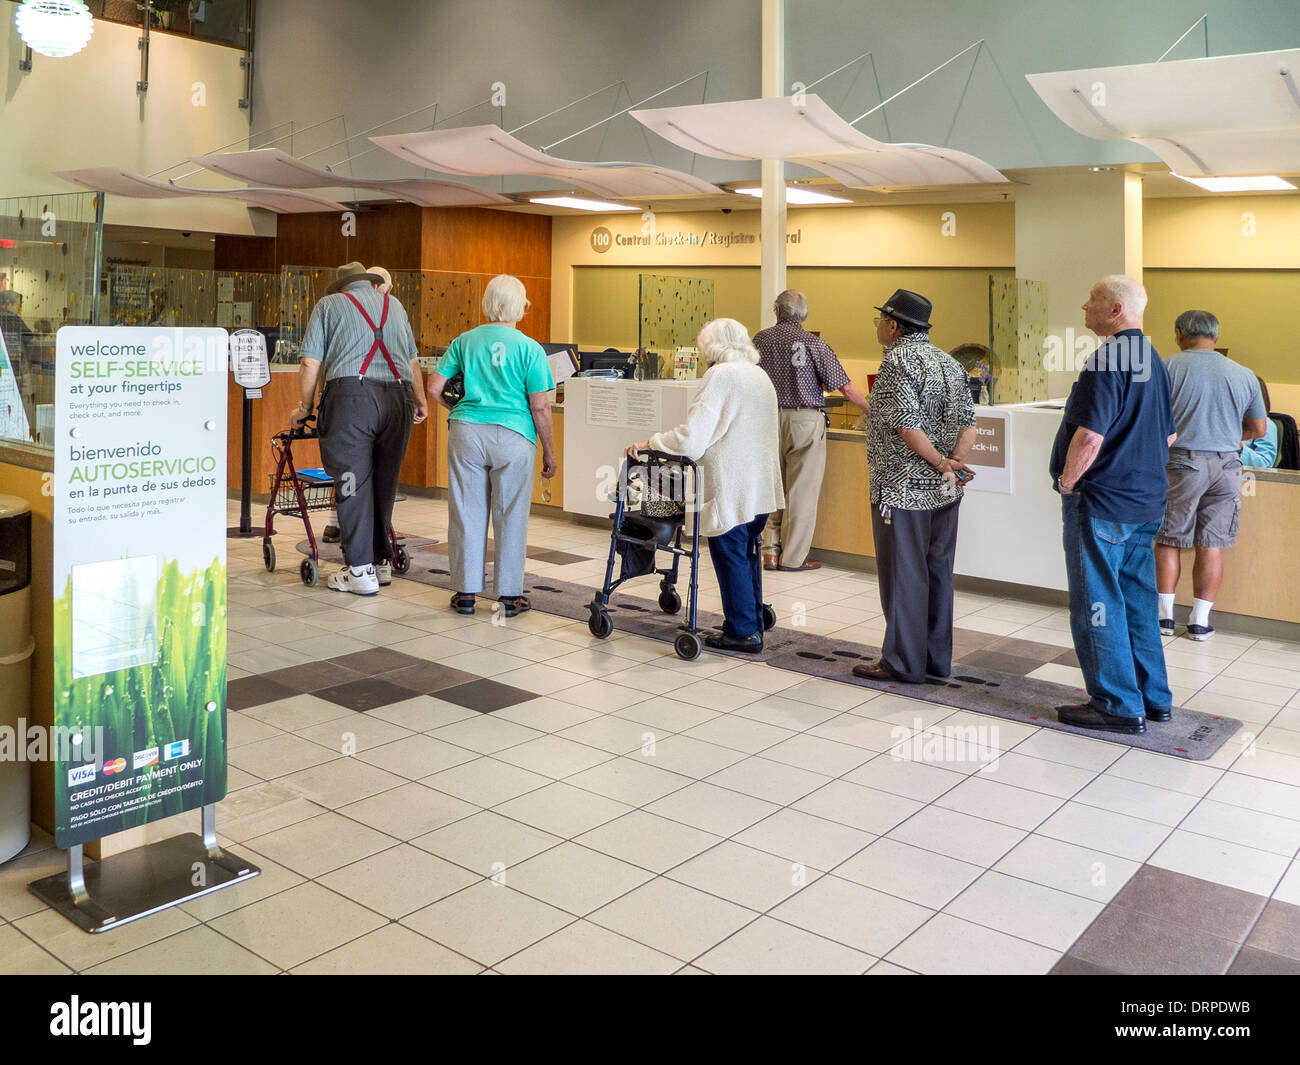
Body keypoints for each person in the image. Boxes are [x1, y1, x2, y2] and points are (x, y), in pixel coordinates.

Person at [1050, 275, 1176, 735]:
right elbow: (1169, 434)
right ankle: (1152, 697)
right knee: (1138, 604)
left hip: (1102, 503)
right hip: (1146, 503)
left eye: (1093, 300)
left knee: (1097, 603)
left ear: (1116, 310)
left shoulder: (1108, 359)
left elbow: (1090, 435)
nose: (1085, 306)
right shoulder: (1154, 359)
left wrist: (1068, 483)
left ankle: (1116, 704)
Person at [624, 318, 783, 653]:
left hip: (732, 483)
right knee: (747, 550)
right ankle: (750, 619)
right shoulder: (760, 375)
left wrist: (651, 442)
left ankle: (742, 632)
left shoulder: (721, 375)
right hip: (760, 483)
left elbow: (692, 439)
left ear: (711, 348)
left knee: (729, 553)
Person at [857, 289, 977, 683]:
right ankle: (934, 661)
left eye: (880, 319)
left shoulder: (897, 361)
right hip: (944, 490)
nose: (878, 326)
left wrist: (941, 462)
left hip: (902, 490)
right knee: (938, 572)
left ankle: (903, 662)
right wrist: (953, 465)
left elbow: (907, 426)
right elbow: (969, 424)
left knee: (904, 574)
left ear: (893, 325)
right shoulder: (949, 363)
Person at [292, 262, 428, 595]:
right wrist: (420, 401)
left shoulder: (328, 305)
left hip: (352, 399)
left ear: (341, 286)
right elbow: (412, 361)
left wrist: (305, 407)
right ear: (366, 282)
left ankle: (359, 570)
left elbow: (311, 362)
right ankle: (381, 562)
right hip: (398, 400)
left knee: (352, 483)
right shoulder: (393, 305)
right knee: (385, 482)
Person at [427, 275, 556, 617]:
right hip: (515, 435)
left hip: (467, 431)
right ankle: (509, 597)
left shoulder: (465, 341)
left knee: (466, 511)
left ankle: (466, 593)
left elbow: (434, 387)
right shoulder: (530, 348)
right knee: (511, 515)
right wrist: (550, 452)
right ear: (519, 305)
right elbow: (540, 406)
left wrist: (459, 411)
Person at [1155, 311, 1268, 641]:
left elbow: (1150, 421)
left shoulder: (1166, 368)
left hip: (1181, 464)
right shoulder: (1244, 374)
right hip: (1228, 467)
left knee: (1168, 540)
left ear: (1179, 334)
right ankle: (1200, 623)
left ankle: (1163, 620)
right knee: (1212, 544)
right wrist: (1227, 435)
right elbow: (1259, 428)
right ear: (1216, 337)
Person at [753, 289, 870, 572]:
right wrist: (870, 408)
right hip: (805, 421)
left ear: (776, 310)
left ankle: (768, 551)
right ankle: (792, 557)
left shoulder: (760, 340)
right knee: (800, 492)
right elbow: (844, 386)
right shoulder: (814, 343)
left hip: (766, 419)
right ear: (805, 315)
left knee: (772, 486)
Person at [322, 266, 398, 546]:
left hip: (350, 397)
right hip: (388, 398)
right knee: (371, 474)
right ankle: (370, 549)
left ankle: (359, 550)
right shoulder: (390, 309)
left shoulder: (339, 306)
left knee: (351, 466)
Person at [1241, 376, 1280, 468]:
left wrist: (1240, 448)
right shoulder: (1229, 421)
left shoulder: (1267, 425)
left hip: (1249, 478)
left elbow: (1265, 464)